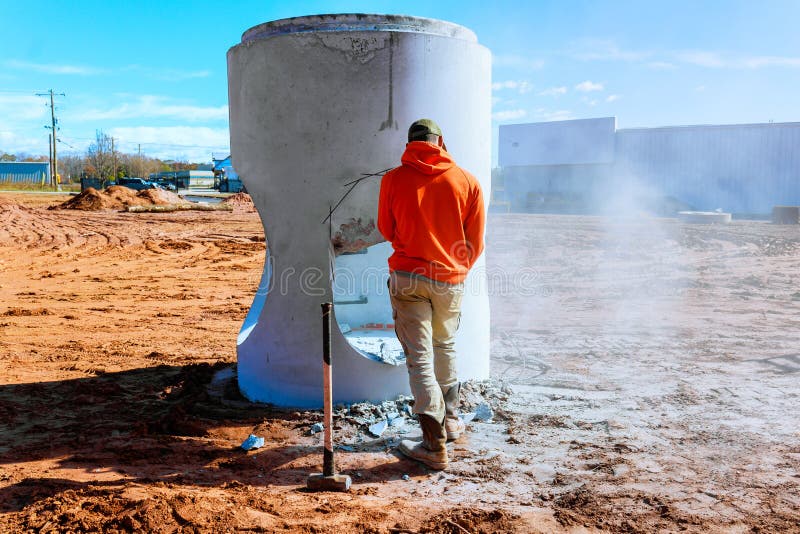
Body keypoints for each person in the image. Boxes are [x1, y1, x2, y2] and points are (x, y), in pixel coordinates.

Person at [378, 118, 486, 470]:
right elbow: (476, 241)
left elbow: (385, 228)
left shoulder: (393, 180)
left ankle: (433, 444)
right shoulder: (467, 181)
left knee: (420, 358)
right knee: (445, 346)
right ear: (441, 142)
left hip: (408, 276)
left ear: (408, 145)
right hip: (450, 280)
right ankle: (451, 423)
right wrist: (455, 268)